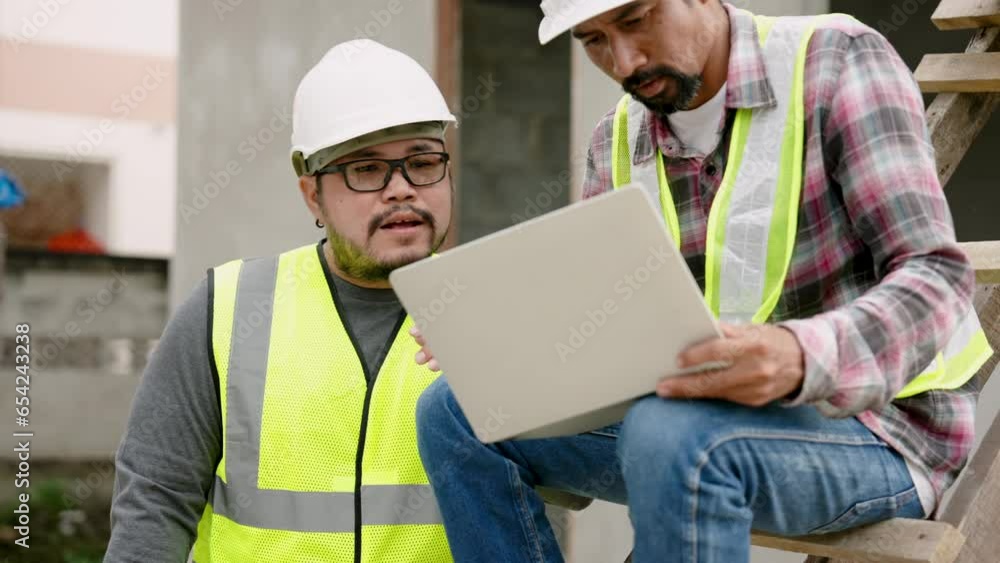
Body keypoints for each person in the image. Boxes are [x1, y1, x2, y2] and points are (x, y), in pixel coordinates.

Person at [412, 1, 993, 562]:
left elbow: (934, 276)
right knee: (453, 412)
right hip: (695, 419)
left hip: (882, 431)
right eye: (592, 40)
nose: (624, 62)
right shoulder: (613, 141)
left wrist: (798, 355)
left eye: (636, 20)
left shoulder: (837, 62)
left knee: (671, 429)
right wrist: (513, 343)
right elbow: (614, 331)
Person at [105, 39, 455, 563]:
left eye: (422, 162)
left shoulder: (485, 306)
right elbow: (155, 502)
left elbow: (569, 490)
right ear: (312, 194)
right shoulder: (227, 308)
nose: (401, 190)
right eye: (365, 169)